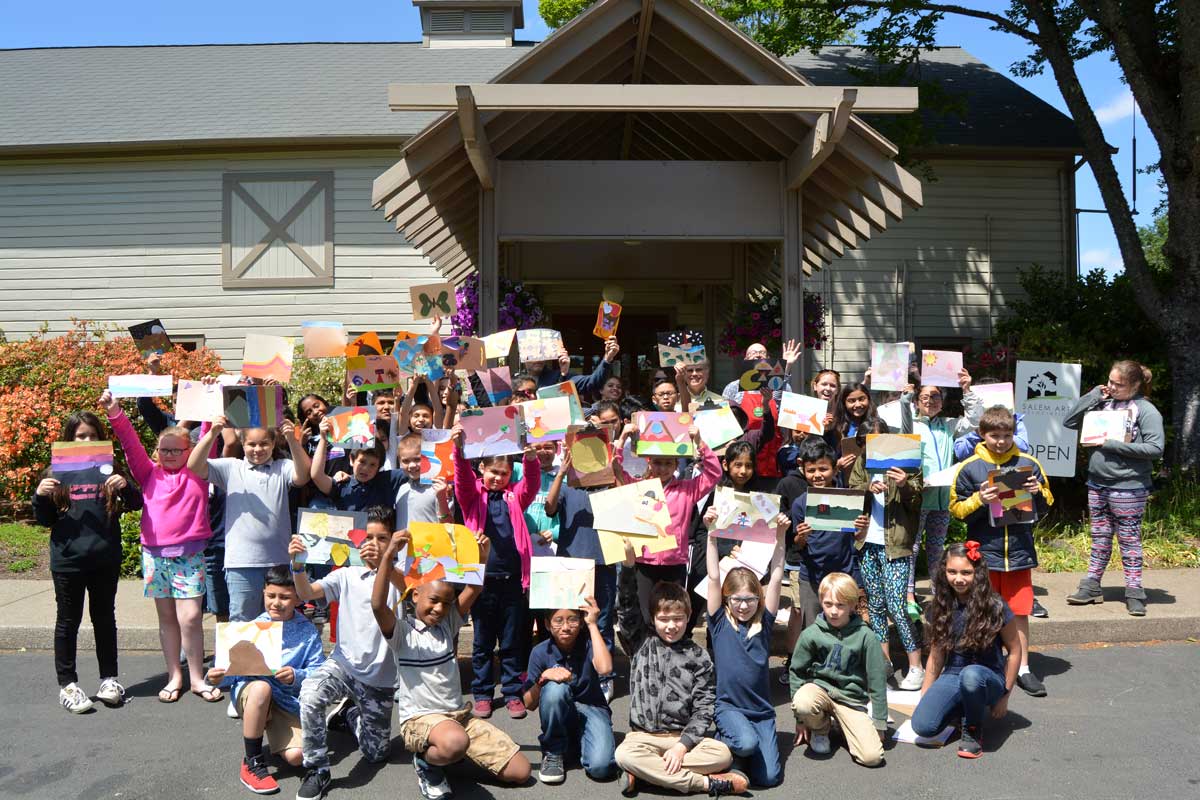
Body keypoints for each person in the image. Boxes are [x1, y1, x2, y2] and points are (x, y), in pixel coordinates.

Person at [372, 529, 532, 799]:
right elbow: (377, 605)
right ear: (415, 596)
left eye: (446, 603)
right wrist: (388, 556)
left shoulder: (449, 624)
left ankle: (450, 756)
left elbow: (474, 588)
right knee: (455, 742)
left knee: (521, 772)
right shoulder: (402, 633)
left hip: (458, 717)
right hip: (420, 720)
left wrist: (482, 559)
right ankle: (427, 761)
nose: (439, 608)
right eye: (433, 600)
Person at [102, 389, 218, 705]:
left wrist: (208, 399)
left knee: (191, 617)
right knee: (167, 619)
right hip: (155, 557)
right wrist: (115, 412)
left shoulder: (197, 472)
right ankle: (175, 676)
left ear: (189, 450)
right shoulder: (147, 473)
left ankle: (197, 677)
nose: (167, 455)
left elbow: (209, 438)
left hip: (189, 555)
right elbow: (129, 443)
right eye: (162, 450)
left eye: (174, 450)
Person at [612, 540, 747, 798]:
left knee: (722, 754)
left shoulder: (699, 656)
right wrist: (628, 567)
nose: (671, 626)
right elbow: (627, 606)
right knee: (623, 753)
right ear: (653, 619)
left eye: (678, 619)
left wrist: (682, 747)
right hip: (643, 737)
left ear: (688, 618)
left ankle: (643, 774)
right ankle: (708, 784)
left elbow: (704, 707)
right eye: (663, 619)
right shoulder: (640, 642)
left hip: (682, 739)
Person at [289, 506, 405, 800]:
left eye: (382, 538)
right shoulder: (346, 574)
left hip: (381, 679)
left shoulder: (400, 575)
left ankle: (349, 715)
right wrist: (298, 565)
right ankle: (317, 769)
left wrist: (388, 564)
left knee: (376, 754)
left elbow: (412, 592)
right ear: (355, 540)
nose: (373, 545)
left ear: (393, 541)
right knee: (311, 694)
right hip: (343, 665)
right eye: (368, 537)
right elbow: (306, 594)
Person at [35, 410, 142, 713]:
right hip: (68, 560)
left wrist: (125, 486)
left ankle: (109, 680)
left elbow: (136, 503)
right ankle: (68, 685)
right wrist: (40, 496)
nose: (86, 440)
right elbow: (44, 520)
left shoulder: (108, 468)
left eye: (92, 435)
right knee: (68, 622)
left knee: (104, 619)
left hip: (104, 557)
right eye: (80, 436)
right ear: (70, 439)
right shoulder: (56, 472)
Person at [950, 406, 1053, 698]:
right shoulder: (969, 467)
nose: (1001, 441)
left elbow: (1048, 501)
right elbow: (956, 510)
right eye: (994, 435)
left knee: (1020, 613)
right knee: (980, 611)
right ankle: (981, 663)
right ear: (982, 435)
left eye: (1007, 435)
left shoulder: (1028, 463)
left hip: (1019, 553)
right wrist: (980, 499)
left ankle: (1022, 667)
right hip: (983, 556)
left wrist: (1037, 493)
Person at [203, 565, 325, 793]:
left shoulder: (307, 632)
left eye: (285, 597)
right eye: (271, 596)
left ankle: (265, 735)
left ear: (298, 598)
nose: (276, 603)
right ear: (263, 593)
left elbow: (319, 672)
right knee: (260, 688)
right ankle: (252, 761)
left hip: (287, 701)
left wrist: (296, 676)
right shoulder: (251, 629)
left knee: (297, 757)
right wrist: (215, 678)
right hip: (254, 694)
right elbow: (231, 672)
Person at [451, 423, 542, 719]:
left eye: (504, 474)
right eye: (493, 472)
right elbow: (462, 478)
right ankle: (482, 693)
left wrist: (529, 459)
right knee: (482, 642)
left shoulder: (515, 497)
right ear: (482, 469)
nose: (498, 478)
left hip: (514, 581)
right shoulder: (471, 497)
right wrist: (458, 449)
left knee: (513, 640)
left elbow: (531, 484)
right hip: (481, 582)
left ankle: (513, 692)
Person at [1063, 360, 1164, 616]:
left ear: (1135, 385)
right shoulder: (1102, 402)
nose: (1112, 387)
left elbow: (1155, 448)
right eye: (1110, 381)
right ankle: (1092, 585)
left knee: (1129, 539)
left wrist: (1111, 444)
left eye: (1118, 384)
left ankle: (1134, 591)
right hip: (1097, 482)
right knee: (1099, 537)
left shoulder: (1146, 410)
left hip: (1129, 486)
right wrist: (1093, 395)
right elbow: (1069, 421)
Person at [191, 415, 311, 622]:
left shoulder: (282, 467)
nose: (258, 449)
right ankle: (242, 656)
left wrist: (292, 439)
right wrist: (212, 433)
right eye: (251, 444)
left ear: (273, 443)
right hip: (241, 562)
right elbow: (194, 465)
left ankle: (275, 656)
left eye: (264, 443)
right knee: (243, 620)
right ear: (242, 444)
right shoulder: (231, 467)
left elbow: (303, 475)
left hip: (278, 560)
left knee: (279, 620)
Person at [911, 542, 1021, 759]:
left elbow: (1015, 651)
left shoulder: (995, 606)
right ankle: (962, 707)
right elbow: (936, 655)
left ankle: (973, 728)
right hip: (954, 673)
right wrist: (925, 693)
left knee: (971, 676)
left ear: (977, 573)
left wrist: (1005, 696)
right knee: (923, 726)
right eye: (952, 572)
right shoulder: (940, 606)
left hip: (988, 675)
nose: (958, 578)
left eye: (966, 572)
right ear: (943, 571)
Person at [702, 515, 787, 788]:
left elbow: (775, 577)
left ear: (758, 600)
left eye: (750, 599)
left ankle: (737, 755)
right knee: (747, 743)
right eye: (736, 599)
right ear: (727, 599)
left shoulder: (764, 623)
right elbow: (714, 576)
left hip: (761, 712)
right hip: (729, 708)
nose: (742, 606)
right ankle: (730, 746)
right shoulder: (719, 624)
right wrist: (711, 534)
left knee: (769, 778)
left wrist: (781, 535)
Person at [613, 422, 722, 623]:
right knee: (646, 618)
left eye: (668, 463)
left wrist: (699, 442)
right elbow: (615, 469)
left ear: (676, 465)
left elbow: (714, 473)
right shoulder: (638, 486)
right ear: (649, 463)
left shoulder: (687, 490)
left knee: (673, 616)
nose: (662, 468)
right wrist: (623, 439)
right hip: (643, 563)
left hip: (675, 564)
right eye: (657, 463)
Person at [900, 370, 982, 618]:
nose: (930, 401)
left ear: (942, 401)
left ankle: (938, 595)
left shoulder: (948, 425)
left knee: (937, 548)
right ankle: (909, 594)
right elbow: (903, 421)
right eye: (924, 396)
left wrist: (967, 390)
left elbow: (976, 422)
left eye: (935, 396)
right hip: (918, 497)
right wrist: (905, 399)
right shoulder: (911, 424)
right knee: (912, 547)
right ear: (916, 401)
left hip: (942, 498)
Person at [789, 572, 888, 766]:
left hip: (850, 699)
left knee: (872, 758)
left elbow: (877, 679)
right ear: (821, 602)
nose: (833, 611)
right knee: (803, 702)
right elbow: (797, 673)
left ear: (852, 605)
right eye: (828, 604)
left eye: (840, 605)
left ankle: (843, 726)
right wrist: (800, 719)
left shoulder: (866, 636)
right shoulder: (811, 634)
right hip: (819, 692)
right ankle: (820, 729)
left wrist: (879, 721)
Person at [849, 444, 926, 690]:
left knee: (897, 605)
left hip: (897, 545)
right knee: (876, 605)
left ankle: (917, 666)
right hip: (867, 544)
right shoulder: (863, 460)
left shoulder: (907, 460)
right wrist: (867, 488)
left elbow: (917, 500)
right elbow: (851, 491)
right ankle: (883, 663)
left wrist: (904, 484)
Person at [522, 598, 617, 785]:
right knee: (554, 689)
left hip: (591, 708)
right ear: (548, 625)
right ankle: (554, 751)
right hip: (561, 709)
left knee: (601, 768)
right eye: (558, 621)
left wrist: (592, 625)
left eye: (573, 620)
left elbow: (605, 669)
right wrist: (543, 679)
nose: (566, 627)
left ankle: (575, 741)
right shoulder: (540, 652)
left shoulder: (590, 643)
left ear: (580, 622)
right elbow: (528, 704)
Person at [785, 439, 868, 650]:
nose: (817, 475)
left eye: (823, 468)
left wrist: (862, 530)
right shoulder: (800, 503)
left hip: (844, 572)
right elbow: (798, 544)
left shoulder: (848, 499)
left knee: (848, 629)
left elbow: (857, 539)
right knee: (815, 630)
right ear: (803, 470)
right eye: (811, 470)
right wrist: (801, 536)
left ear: (834, 468)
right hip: (812, 577)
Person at [831, 383, 888, 478]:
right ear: (844, 403)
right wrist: (836, 465)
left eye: (861, 399)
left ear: (868, 399)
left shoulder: (877, 425)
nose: (857, 404)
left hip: (874, 480)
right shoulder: (836, 427)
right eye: (851, 401)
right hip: (846, 481)